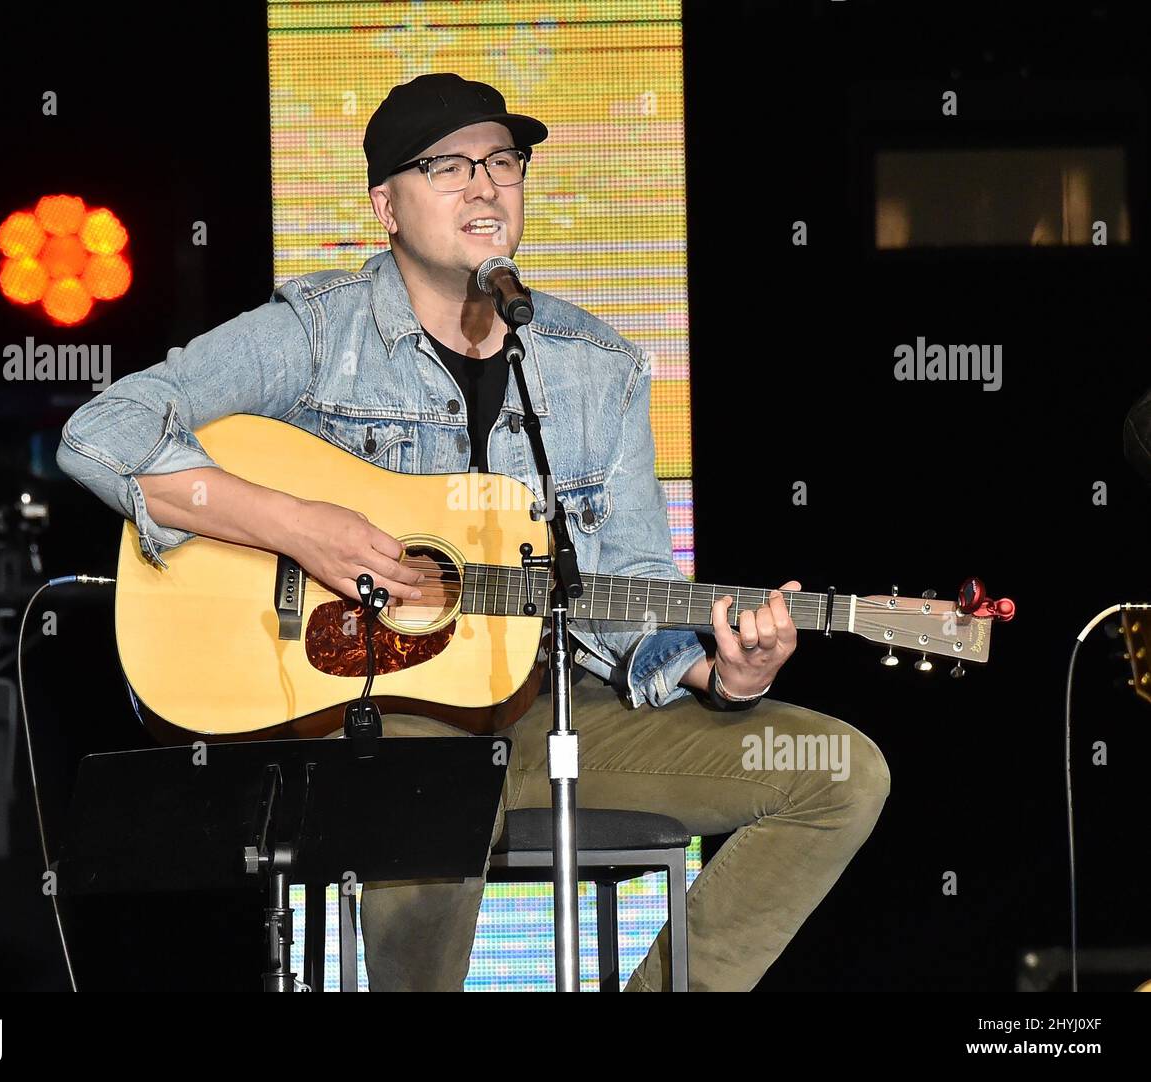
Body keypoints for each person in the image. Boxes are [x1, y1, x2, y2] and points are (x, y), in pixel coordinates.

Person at [56, 73, 890, 991]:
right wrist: (300, 528)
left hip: (551, 711)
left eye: (502, 160)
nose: (486, 185)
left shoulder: (595, 367)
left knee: (841, 774)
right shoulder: (319, 332)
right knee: (434, 796)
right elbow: (102, 434)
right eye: (448, 166)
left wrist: (718, 672)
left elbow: (633, 580)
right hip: (380, 720)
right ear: (387, 205)